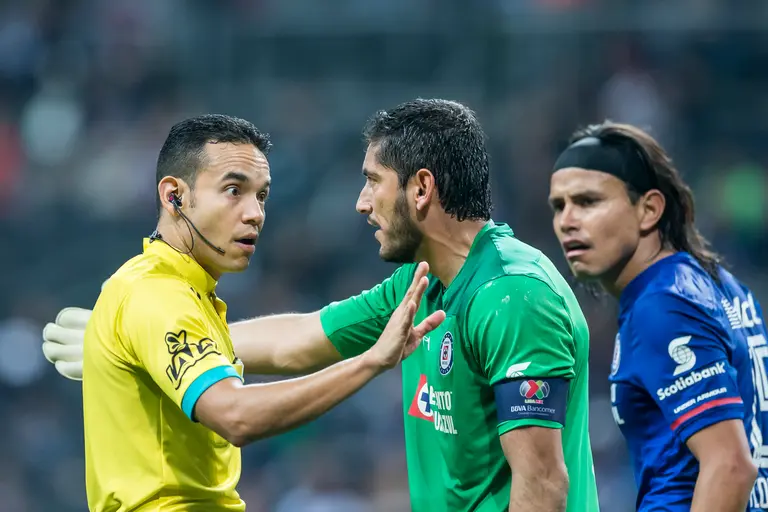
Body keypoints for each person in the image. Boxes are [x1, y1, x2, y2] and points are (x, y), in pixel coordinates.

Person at [43, 99, 599, 512]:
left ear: (421, 188)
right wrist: (146, 343)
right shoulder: (421, 284)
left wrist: (152, 338)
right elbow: (300, 340)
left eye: (372, 182)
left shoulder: (511, 295)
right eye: (235, 191)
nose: (361, 203)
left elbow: (544, 485)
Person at [69, 113, 445, 512]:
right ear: (173, 195)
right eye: (233, 190)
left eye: (261, 196)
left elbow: (293, 345)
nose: (255, 214)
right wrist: (370, 363)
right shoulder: (158, 296)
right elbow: (236, 415)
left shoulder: (180, 293)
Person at [548, 121, 764, 511]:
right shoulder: (719, 284)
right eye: (559, 206)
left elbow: (731, 466)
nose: (567, 221)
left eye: (588, 202)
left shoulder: (663, 305)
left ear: (649, 209)